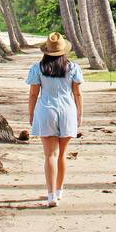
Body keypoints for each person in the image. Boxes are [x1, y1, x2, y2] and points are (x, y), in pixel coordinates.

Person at [26, 33, 83, 207]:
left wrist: (31, 113)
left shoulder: (38, 68)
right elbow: (77, 93)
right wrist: (80, 113)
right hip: (67, 110)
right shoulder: (73, 68)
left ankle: (51, 195)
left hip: (46, 110)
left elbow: (34, 94)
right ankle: (59, 191)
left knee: (50, 155)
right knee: (62, 155)